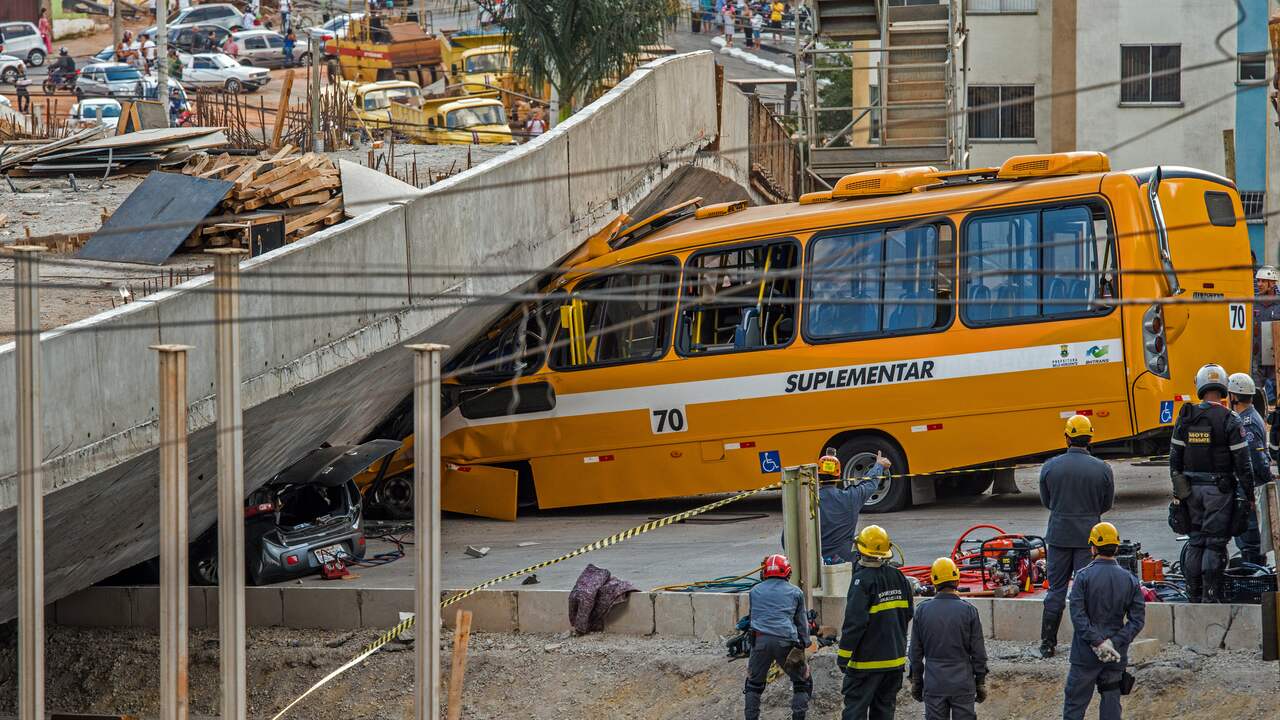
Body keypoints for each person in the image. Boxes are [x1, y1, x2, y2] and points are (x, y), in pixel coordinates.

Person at [1169, 363, 1254, 603]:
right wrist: (1248, 495)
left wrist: (1180, 492)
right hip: (1219, 492)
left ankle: (1193, 594)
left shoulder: (1185, 417)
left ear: (1200, 385)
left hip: (1190, 491)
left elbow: (1174, 460)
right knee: (1215, 544)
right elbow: (1243, 464)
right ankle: (1210, 596)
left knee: (1196, 541)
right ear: (1224, 386)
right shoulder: (1230, 419)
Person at [1037, 414, 1115, 658]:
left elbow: (1047, 501)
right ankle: (1089, 643)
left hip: (1059, 535)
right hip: (1088, 538)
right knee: (1087, 593)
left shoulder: (1050, 466)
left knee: (1055, 591)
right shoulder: (1102, 469)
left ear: (1067, 438)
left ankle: (1047, 644)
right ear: (1090, 438)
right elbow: (1106, 504)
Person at [1062, 522, 1146, 720]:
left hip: (1085, 655)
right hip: (1115, 655)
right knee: (1111, 703)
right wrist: (1113, 643)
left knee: (1075, 706)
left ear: (1093, 547)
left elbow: (1078, 616)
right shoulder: (1129, 580)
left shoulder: (1083, 577)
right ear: (1116, 548)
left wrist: (1098, 642)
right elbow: (1137, 620)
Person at [838, 525, 913, 720]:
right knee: (884, 712)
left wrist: (843, 657)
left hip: (866, 664)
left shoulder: (861, 581)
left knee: (855, 712)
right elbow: (908, 613)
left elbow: (854, 624)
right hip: (894, 662)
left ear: (862, 551)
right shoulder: (899, 577)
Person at [908, 557, 988, 720]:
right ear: (957, 580)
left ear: (934, 581)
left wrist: (917, 681)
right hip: (962, 683)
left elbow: (915, 653)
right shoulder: (969, 611)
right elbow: (978, 653)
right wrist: (980, 682)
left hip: (934, 683)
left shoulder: (922, 611)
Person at [743, 554, 811, 720]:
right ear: (788, 572)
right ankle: (799, 716)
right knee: (802, 682)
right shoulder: (796, 592)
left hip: (759, 641)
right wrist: (804, 643)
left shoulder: (754, 591)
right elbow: (801, 622)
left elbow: (753, 618)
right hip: (785, 641)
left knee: (753, 685)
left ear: (765, 572)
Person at [816, 449, 891, 565]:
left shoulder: (809, 501)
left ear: (817, 476)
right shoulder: (851, 497)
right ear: (839, 476)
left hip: (815, 563)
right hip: (844, 565)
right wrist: (879, 466)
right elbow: (869, 484)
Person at [1227, 373, 1268, 565]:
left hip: (1249, 490)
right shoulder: (1249, 417)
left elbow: (1255, 461)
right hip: (1250, 488)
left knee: (1250, 542)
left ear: (1234, 396)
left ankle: (1255, 575)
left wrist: (1253, 491)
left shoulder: (1246, 422)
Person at [1252, 266, 1280, 402]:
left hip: (1276, 362)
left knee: (1275, 397)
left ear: (1273, 283)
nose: (1259, 284)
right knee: (1256, 395)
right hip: (1257, 361)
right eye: (1258, 281)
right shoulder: (1253, 303)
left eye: (1263, 281)